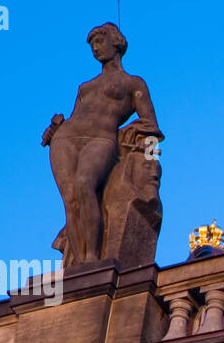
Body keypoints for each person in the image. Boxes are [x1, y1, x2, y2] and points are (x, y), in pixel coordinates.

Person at [43, 23, 162, 268]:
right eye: (92, 45)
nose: (95, 49)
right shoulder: (84, 87)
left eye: (100, 42)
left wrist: (150, 162)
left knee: (84, 184)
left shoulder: (134, 83)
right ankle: (78, 269)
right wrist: (56, 128)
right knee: (70, 199)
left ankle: (91, 260)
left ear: (116, 42)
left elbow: (151, 126)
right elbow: (77, 115)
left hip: (102, 138)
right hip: (66, 138)